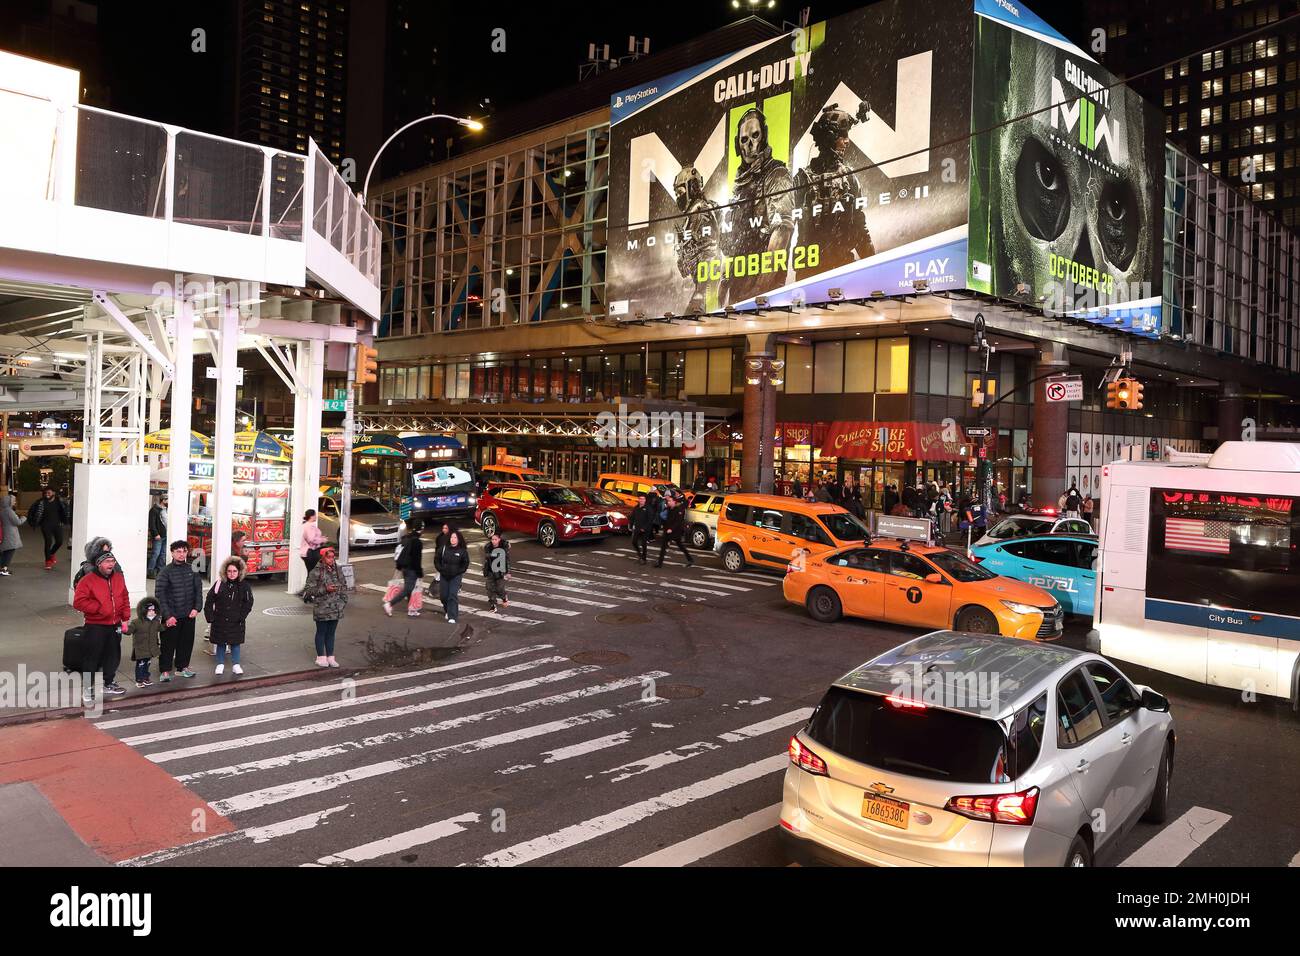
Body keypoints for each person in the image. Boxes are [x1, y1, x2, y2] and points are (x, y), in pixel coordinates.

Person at [72, 551, 130, 699]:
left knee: (113, 656)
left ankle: (108, 683)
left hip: (114, 624)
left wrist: (125, 617)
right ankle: (87, 689)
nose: (111, 564)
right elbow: (78, 602)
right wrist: (99, 609)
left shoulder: (118, 578)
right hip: (95, 625)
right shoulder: (87, 580)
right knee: (91, 658)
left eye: (113, 561)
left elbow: (125, 596)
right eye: (107, 561)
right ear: (99, 564)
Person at [154, 539, 202, 682]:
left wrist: (196, 608)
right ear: (172, 553)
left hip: (188, 615)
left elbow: (198, 590)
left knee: (186, 643)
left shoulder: (192, 569)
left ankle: (182, 668)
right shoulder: (165, 572)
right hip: (172, 617)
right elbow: (159, 595)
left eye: (184, 551)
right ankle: (165, 671)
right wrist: (167, 616)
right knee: (168, 645)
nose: (181, 554)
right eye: (178, 551)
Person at [205, 555, 255, 676]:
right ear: (225, 572)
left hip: (236, 620)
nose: (232, 574)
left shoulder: (244, 586)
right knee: (221, 643)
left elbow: (248, 602)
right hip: (219, 619)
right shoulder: (219, 584)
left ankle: (236, 664)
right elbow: (209, 600)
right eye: (229, 571)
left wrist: (241, 616)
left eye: (234, 571)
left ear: (239, 572)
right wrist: (210, 617)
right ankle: (220, 664)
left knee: (235, 643)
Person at [303, 542, 347, 667]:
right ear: (323, 558)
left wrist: (343, 601)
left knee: (331, 633)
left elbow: (344, 585)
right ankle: (321, 656)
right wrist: (325, 589)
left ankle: (330, 656)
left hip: (336, 607)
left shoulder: (337, 569)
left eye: (333, 557)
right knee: (321, 631)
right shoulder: (315, 572)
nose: (331, 559)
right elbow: (309, 590)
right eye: (329, 557)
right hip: (322, 608)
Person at [27, 487, 69, 571]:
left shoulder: (59, 502)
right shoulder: (41, 502)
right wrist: (33, 521)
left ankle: (51, 554)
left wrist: (66, 520)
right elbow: (32, 511)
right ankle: (48, 561)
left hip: (57, 524)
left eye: (49, 493)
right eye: (46, 493)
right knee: (48, 542)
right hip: (45, 525)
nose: (47, 495)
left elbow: (65, 511)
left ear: (53, 493)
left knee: (59, 541)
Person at [386, 523, 423, 618]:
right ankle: (390, 604)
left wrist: (399, 566)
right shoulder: (417, 542)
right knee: (408, 589)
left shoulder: (406, 539)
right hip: (412, 570)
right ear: (421, 530)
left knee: (410, 589)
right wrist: (419, 572)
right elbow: (416, 559)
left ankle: (412, 609)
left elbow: (401, 553)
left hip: (404, 568)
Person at [126, 597, 162, 688]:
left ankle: (146, 677)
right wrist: (124, 629)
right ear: (143, 611)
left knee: (148, 664)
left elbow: (161, 628)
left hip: (151, 649)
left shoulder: (156, 622)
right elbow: (129, 630)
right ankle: (139, 680)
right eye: (150, 611)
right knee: (140, 665)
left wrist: (167, 625)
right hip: (141, 649)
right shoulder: (136, 622)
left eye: (154, 610)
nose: (152, 612)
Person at [436, 530, 469, 624]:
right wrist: (441, 569)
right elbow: (437, 559)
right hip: (444, 575)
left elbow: (465, 563)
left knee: (452, 595)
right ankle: (447, 610)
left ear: (459, 539)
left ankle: (452, 616)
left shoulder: (462, 551)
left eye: (455, 537)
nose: (452, 539)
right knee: (443, 596)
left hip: (456, 576)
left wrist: (458, 572)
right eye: (451, 537)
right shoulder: (443, 549)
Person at [656, 493, 694, 568]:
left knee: (681, 546)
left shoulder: (678, 510)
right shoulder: (668, 509)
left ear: (674, 502)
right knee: (663, 547)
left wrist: (671, 529)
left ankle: (690, 559)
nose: (668, 502)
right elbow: (666, 519)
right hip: (667, 531)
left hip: (676, 532)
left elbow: (678, 522)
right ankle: (659, 563)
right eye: (668, 501)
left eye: (670, 501)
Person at [482, 531, 511, 612]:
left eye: (495, 539)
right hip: (490, 571)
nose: (493, 541)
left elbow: (507, 561)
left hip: (500, 571)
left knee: (500, 588)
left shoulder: (503, 548)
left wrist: (508, 572)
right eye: (492, 539)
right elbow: (486, 559)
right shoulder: (488, 547)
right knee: (489, 588)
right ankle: (493, 605)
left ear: (499, 539)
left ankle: (504, 597)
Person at [0, 491, 22, 575]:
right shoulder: (9, 511)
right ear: (9, 502)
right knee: (10, 551)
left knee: (5, 551)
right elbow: (17, 522)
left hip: (5, 533)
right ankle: (4, 569)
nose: (14, 502)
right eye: (13, 501)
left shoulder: (2, 511)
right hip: (10, 534)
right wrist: (23, 518)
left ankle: (2, 568)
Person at [630, 493, 655, 564]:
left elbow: (650, 519)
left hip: (645, 529)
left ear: (645, 500)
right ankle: (639, 553)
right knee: (634, 542)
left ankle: (644, 559)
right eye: (640, 499)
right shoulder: (636, 507)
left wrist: (644, 527)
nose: (641, 500)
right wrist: (631, 525)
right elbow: (632, 517)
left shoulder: (648, 508)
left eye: (643, 499)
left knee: (644, 544)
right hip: (637, 528)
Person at [147, 495, 167, 578]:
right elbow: (152, 524)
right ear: (163, 500)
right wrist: (155, 534)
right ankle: (150, 571)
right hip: (158, 536)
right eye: (167, 500)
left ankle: (160, 571)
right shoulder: (154, 510)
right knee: (156, 554)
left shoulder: (165, 510)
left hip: (165, 535)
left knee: (163, 554)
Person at [300, 508, 326, 575]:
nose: (316, 516)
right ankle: (310, 585)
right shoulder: (310, 526)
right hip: (311, 552)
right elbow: (311, 539)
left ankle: (309, 585)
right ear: (311, 516)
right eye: (315, 515)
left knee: (311, 572)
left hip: (306, 552)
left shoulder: (305, 525)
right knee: (313, 573)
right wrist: (322, 540)